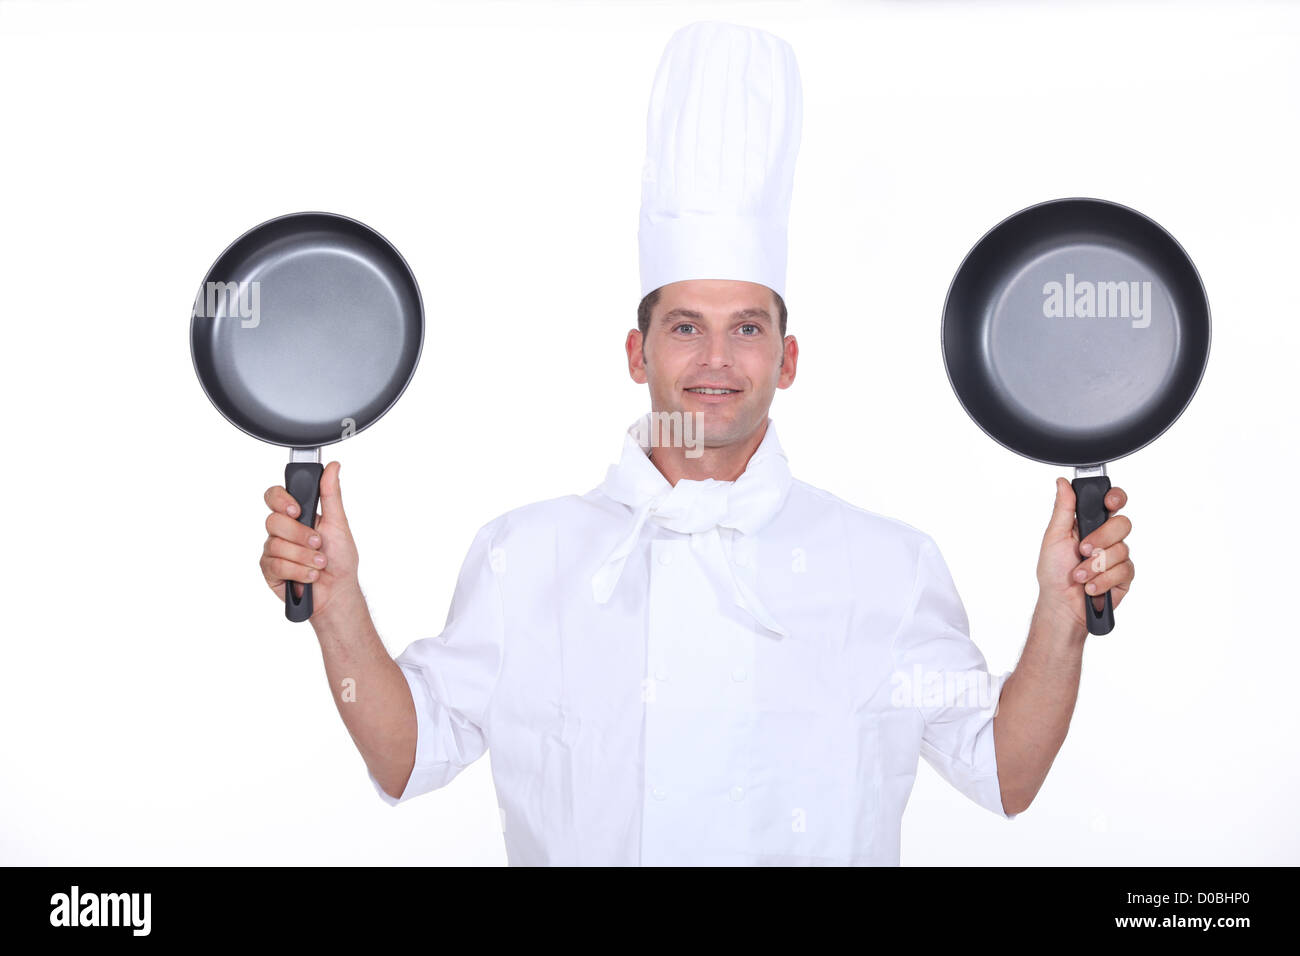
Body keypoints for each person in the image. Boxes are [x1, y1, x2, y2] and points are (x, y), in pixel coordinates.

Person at [258, 21, 1135, 866]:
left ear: (787, 359)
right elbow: (404, 756)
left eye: (747, 328)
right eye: (685, 327)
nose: (716, 360)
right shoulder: (525, 558)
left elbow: (1006, 772)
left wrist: (1061, 613)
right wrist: (336, 600)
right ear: (637, 352)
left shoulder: (886, 568)